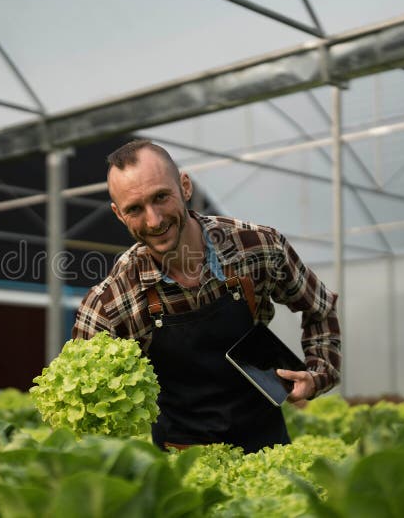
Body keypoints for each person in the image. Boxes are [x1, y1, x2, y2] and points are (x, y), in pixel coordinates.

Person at [71, 139, 341, 453]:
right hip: (183, 459)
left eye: (161, 197)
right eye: (135, 209)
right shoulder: (110, 301)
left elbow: (320, 309)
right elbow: (83, 396)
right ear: (119, 214)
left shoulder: (255, 247)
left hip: (267, 445)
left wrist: (318, 375)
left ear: (185, 186)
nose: (154, 220)